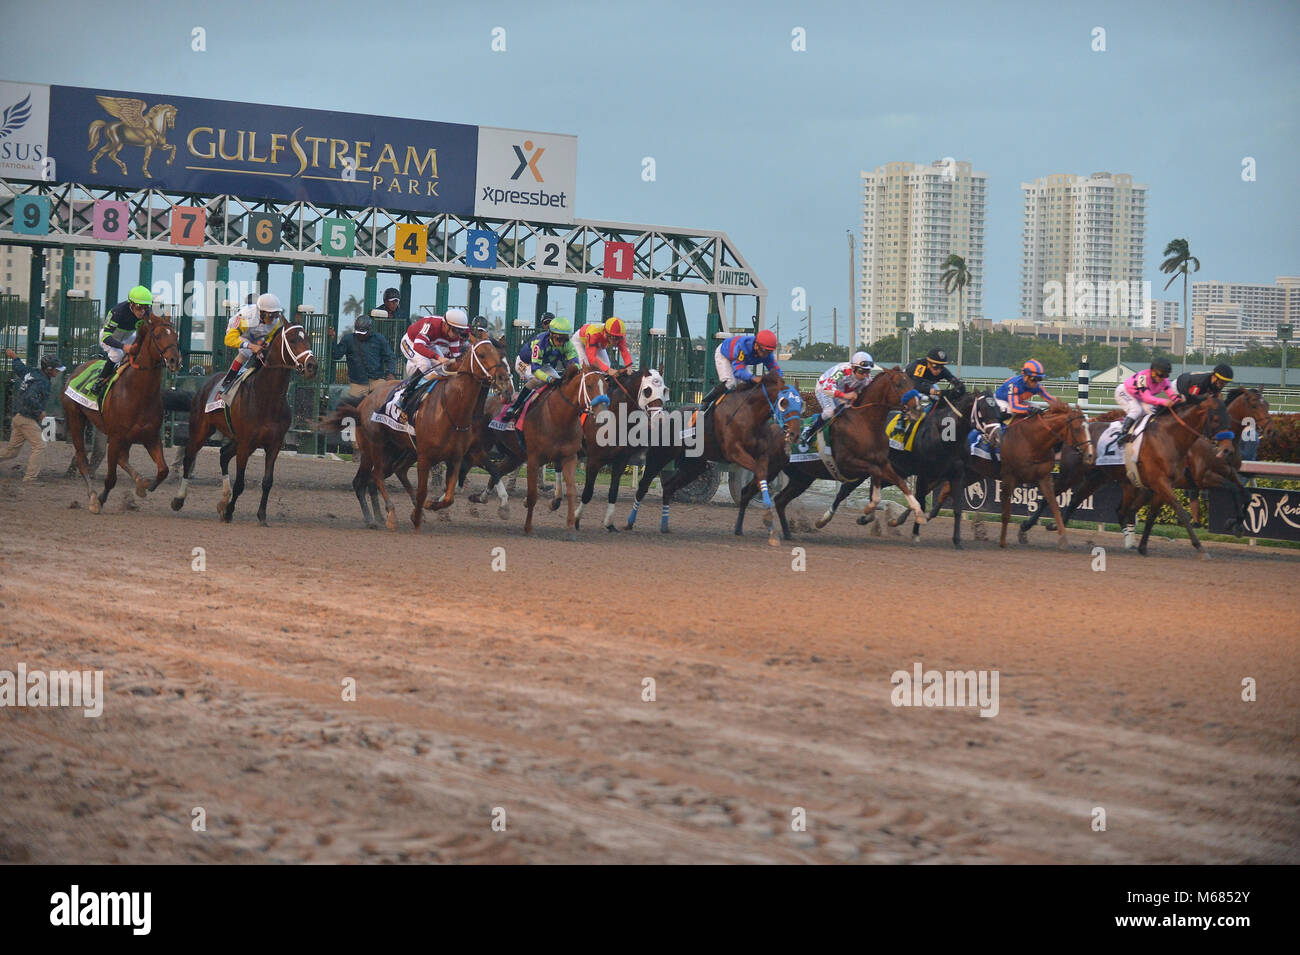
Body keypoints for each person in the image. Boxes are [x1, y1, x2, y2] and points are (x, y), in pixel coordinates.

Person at [1, 348, 64, 486]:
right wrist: (40, 411)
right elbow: (31, 397)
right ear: (48, 369)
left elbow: (20, 368)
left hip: (19, 418)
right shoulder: (42, 381)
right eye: (56, 369)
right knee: (40, 445)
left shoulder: (32, 373)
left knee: (11, 452)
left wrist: (15, 357)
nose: (58, 371)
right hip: (27, 419)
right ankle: (30, 479)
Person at [500, 316, 580, 422]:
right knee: (538, 380)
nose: (561, 343)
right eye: (559, 339)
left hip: (543, 364)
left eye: (565, 339)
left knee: (559, 382)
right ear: (551, 334)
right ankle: (515, 407)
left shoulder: (568, 345)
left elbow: (575, 364)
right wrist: (549, 379)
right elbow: (535, 370)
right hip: (525, 363)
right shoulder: (540, 343)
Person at [396, 308, 471, 419]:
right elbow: (418, 346)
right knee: (424, 364)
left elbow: (455, 360)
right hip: (411, 343)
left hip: (430, 344)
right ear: (445, 325)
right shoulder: (431, 325)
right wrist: (438, 357)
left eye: (460, 331)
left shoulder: (454, 337)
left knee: (444, 368)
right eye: (456, 330)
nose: (457, 335)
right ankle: (405, 395)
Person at [696, 328, 781, 412]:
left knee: (750, 385)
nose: (766, 354)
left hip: (740, 361)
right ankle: (706, 402)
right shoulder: (743, 347)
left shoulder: (767, 355)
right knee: (730, 383)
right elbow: (738, 372)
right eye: (764, 350)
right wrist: (754, 378)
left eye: (769, 352)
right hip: (724, 355)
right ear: (756, 345)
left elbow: (776, 371)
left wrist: (780, 381)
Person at [800, 351, 874, 446]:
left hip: (840, 392)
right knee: (830, 411)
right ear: (853, 368)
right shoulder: (842, 371)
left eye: (867, 371)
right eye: (861, 371)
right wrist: (846, 396)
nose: (864, 375)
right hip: (824, 388)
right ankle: (809, 431)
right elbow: (827, 388)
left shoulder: (867, 378)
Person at [217, 292, 284, 397]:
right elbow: (229, 339)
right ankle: (227, 382)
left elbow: (271, 336)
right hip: (237, 334)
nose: (273, 319)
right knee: (247, 352)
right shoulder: (246, 317)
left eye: (276, 315)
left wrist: (264, 343)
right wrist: (251, 346)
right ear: (261, 313)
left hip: (255, 335)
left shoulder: (275, 322)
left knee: (265, 354)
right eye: (271, 315)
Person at [91, 284, 153, 396]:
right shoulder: (118, 311)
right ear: (131, 304)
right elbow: (106, 337)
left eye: (146, 307)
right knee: (117, 354)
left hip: (128, 336)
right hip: (110, 338)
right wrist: (124, 347)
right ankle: (99, 381)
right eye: (139, 307)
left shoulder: (147, 313)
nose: (142, 311)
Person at [330, 314, 396, 398]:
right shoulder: (348, 339)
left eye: (363, 333)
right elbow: (336, 355)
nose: (360, 335)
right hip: (357, 384)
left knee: (383, 403)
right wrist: (332, 340)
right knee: (355, 408)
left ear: (370, 329)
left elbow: (390, 357)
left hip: (377, 381)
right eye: (358, 332)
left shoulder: (379, 339)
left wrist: (390, 373)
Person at [1116, 357, 1177, 444]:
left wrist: (1178, 399)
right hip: (1124, 392)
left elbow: (1171, 394)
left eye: (1166, 375)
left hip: (1139, 397)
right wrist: (1165, 402)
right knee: (1137, 410)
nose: (1163, 378)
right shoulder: (1142, 377)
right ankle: (1122, 434)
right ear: (1152, 371)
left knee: (1152, 412)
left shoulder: (1165, 381)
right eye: (1160, 375)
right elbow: (1147, 398)